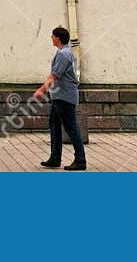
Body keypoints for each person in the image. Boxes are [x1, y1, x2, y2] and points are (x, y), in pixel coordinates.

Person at [35, 26, 86, 171]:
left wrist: (41, 90)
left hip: (65, 97)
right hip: (59, 97)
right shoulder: (64, 52)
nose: (51, 38)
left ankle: (80, 160)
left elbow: (54, 76)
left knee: (71, 128)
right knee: (54, 126)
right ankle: (55, 158)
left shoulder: (63, 54)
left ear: (57, 38)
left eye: (52, 36)